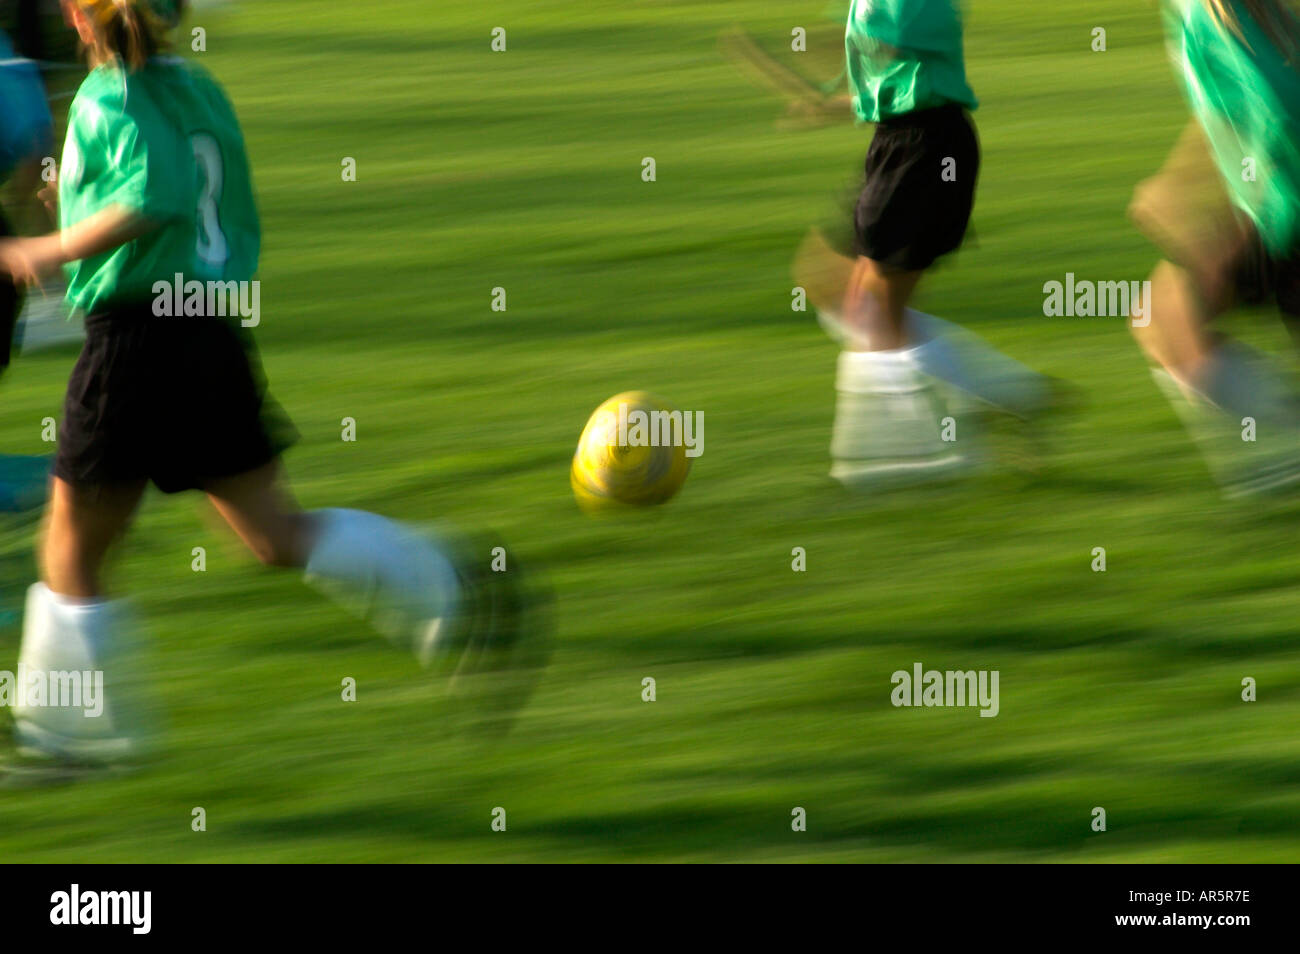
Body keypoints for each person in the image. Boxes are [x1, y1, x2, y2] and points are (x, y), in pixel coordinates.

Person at [0, 0, 536, 771]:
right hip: (210, 330)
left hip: (137, 340)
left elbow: (153, 198)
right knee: (272, 536)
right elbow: (179, 188)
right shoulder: (198, 85)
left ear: (81, 14)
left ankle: (68, 742)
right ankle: (452, 584)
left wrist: (41, 249)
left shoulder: (115, 90)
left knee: (72, 552)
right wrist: (74, 208)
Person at [821, 0, 1057, 488]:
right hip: (900, 141)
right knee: (836, 290)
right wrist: (850, 96)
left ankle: (934, 457)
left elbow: (904, 38)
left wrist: (849, 66)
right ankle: (1008, 395)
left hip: (926, 147)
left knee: (873, 311)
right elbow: (897, 60)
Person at [1129, 0, 1300, 496]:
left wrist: (1241, 233)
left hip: (1282, 214)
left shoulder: (1219, 13)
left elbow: (1278, 110)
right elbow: (1230, 110)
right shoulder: (1207, 11)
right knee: (1164, 319)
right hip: (1270, 208)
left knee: (1168, 319)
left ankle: (1283, 458)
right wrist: (1179, 181)